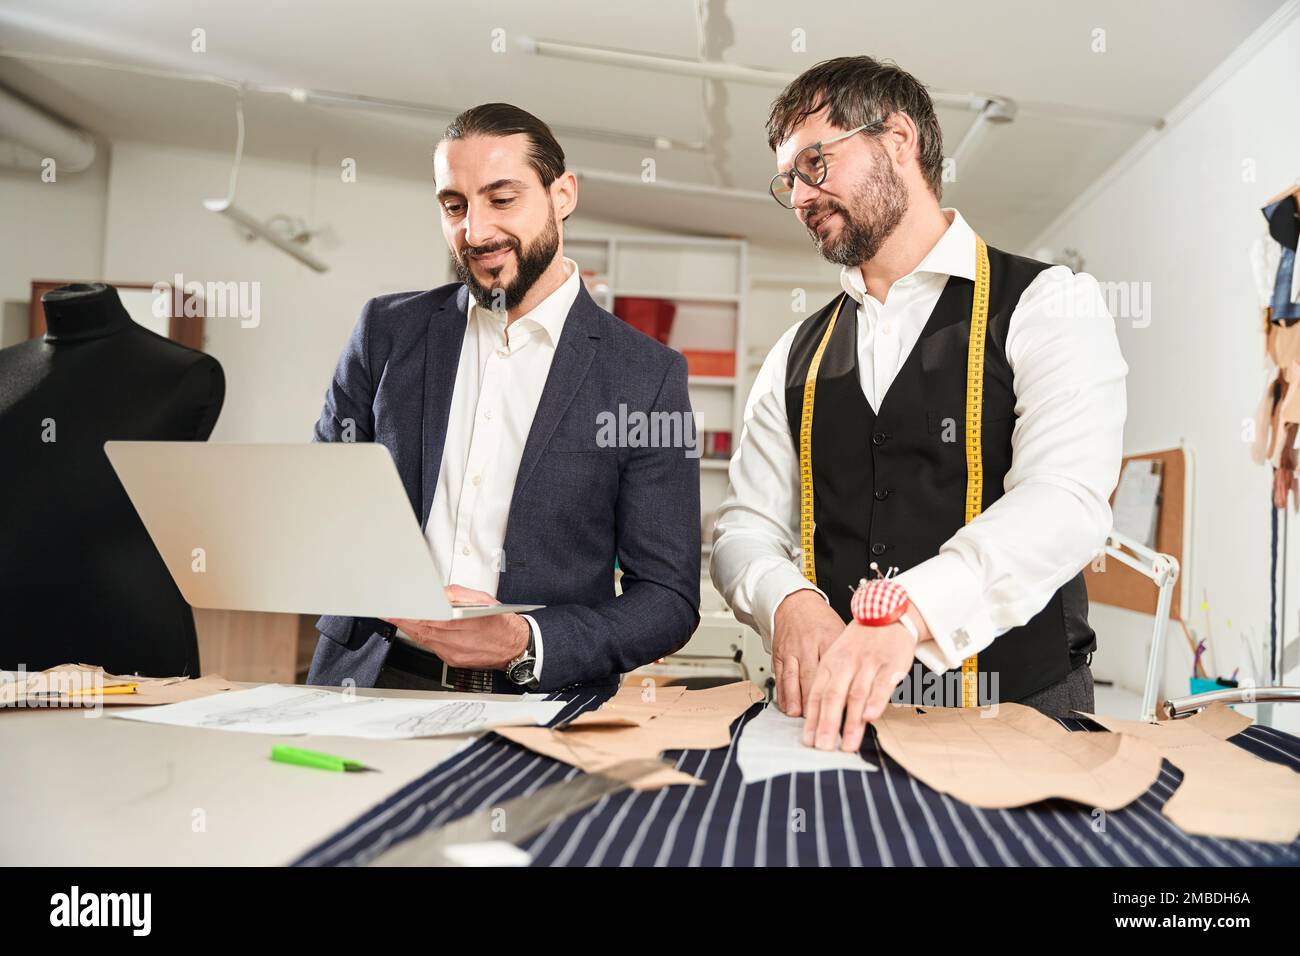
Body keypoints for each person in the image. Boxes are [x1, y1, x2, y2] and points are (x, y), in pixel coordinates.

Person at [711, 56, 1127, 750]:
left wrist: (910, 617)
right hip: (838, 718)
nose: (802, 195)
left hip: (1022, 715)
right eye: (788, 180)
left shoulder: (1048, 302)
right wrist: (788, 599)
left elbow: (1068, 499)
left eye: (815, 162)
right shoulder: (793, 353)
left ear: (898, 139)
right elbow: (741, 529)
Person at [308, 103, 700, 695]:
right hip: (367, 679)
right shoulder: (385, 331)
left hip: (539, 697)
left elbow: (668, 599)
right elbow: (322, 502)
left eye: (502, 198)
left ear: (562, 194)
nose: (476, 231)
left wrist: (524, 638)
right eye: (454, 206)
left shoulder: (647, 377)